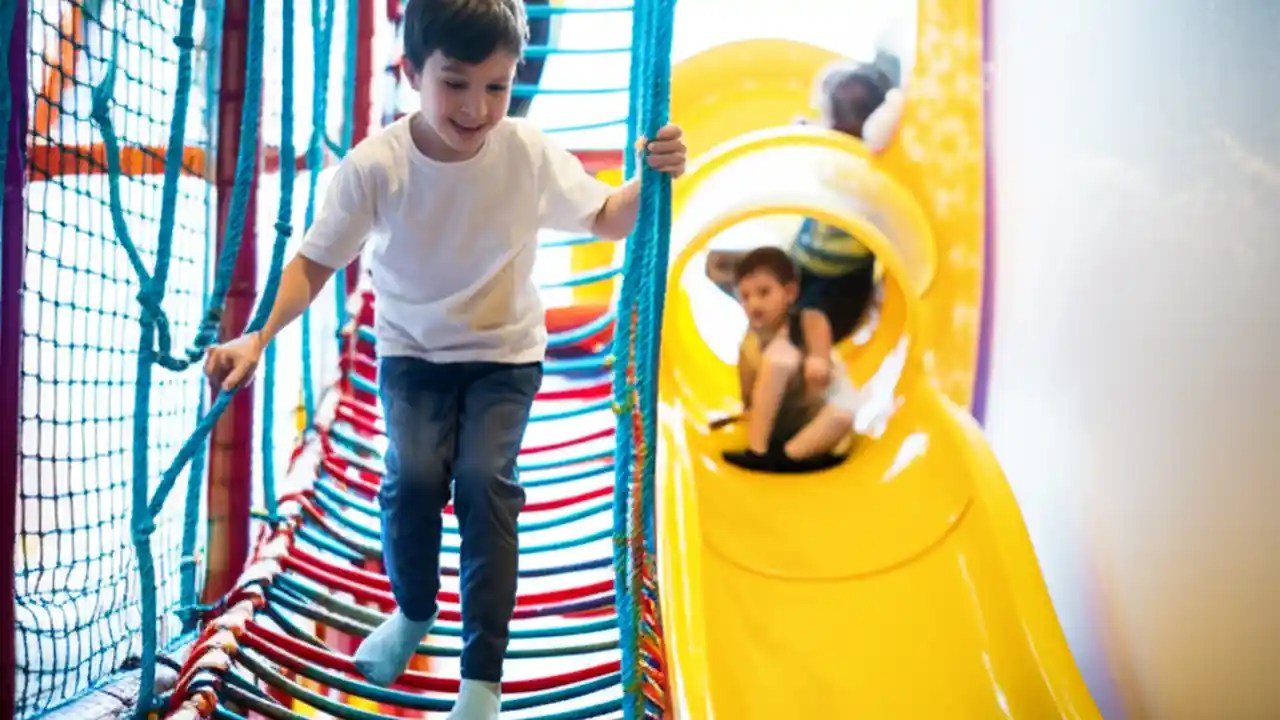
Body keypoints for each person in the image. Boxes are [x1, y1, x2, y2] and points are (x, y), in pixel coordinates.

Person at [202, 0, 687, 717]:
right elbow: (312, 263)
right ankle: (414, 610)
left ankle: (481, 682)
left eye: (497, 86)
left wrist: (652, 179)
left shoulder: (526, 152)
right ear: (411, 73)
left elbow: (607, 219)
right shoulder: (378, 167)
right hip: (413, 357)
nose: (477, 107)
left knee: (484, 481)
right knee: (416, 478)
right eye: (455, 83)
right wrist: (256, 335)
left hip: (505, 359)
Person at [705, 60, 890, 347]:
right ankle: (774, 312)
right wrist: (806, 136)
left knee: (808, 326)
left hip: (837, 283)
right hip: (800, 267)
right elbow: (810, 161)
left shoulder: (870, 164)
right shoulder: (829, 152)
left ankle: (785, 331)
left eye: (833, 115)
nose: (831, 123)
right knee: (716, 263)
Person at [721, 246, 864, 473]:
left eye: (764, 292)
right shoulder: (749, 344)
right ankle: (757, 450)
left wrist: (817, 362)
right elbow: (748, 399)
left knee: (842, 413)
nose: (754, 304)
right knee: (779, 360)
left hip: (816, 417)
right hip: (780, 421)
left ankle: (790, 456)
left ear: (789, 293)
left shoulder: (809, 320)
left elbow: (820, 358)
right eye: (745, 297)